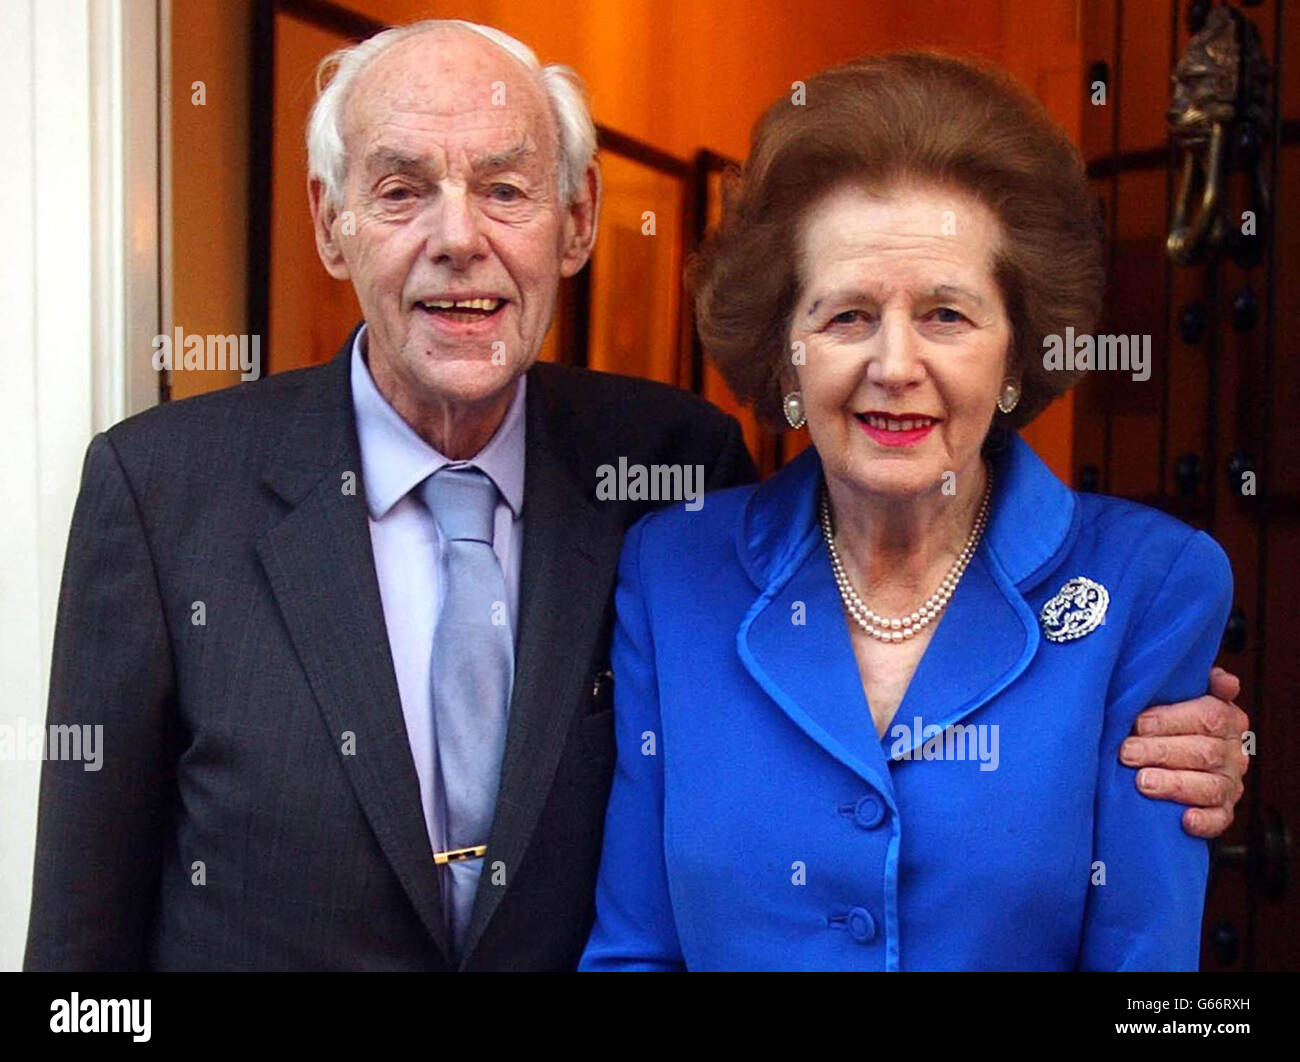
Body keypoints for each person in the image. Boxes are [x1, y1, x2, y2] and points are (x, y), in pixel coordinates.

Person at [25, 24, 1244, 973]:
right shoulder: (161, 493)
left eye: (505, 188)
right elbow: (82, 936)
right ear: (330, 223)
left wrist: (1204, 752)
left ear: (578, 220)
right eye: (401, 191)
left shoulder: (662, 473)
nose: (459, 240)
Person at [580, 53, 1239, 971]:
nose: (894, 365)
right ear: (785, 357)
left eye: (946, 316)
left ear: (1018, 354)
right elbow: (633, 948)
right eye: (847, 316)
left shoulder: (1147, 585)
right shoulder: (670, 568)